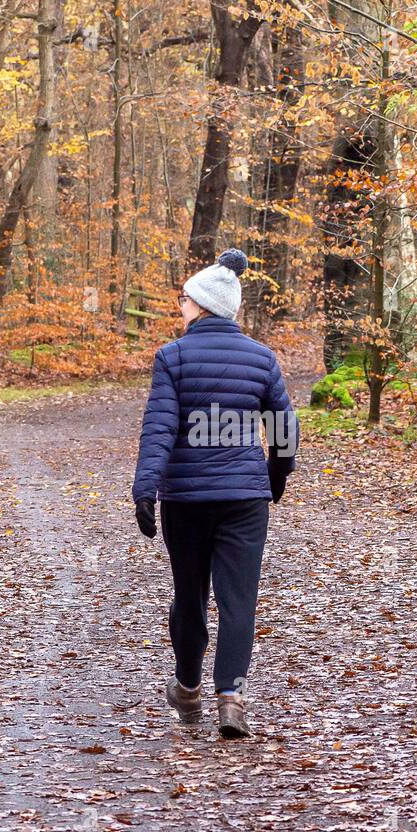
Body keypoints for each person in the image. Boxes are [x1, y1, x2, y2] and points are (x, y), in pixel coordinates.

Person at [132, 248, 298, 738]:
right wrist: (276, 477)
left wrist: (146, 489)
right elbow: (285, 429)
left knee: (190, 598)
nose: (179, 305)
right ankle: (231, 697)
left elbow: (159, 429)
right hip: (245, 499)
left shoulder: (173, 357)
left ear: (200, 305)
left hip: (185, 502)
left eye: (183, 298)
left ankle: (187, 688)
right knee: (238, 601)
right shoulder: (262, 359)